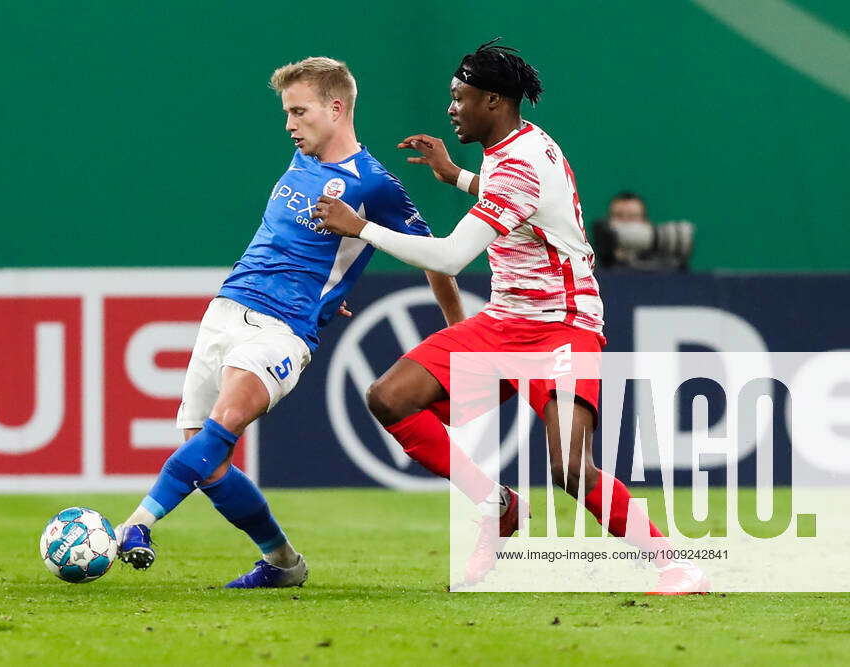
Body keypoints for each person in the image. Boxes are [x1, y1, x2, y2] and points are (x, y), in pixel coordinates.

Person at [312, 39, 709, 594]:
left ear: (493, 101)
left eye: (460, 97)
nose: (451, 107)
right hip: (505, 321)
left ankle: (676, 565)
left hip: (562, 326)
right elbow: (518, 201)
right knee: (389, 397)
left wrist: (361, 228)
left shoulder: (520, 162)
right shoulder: (519, 145)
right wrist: (456, 176)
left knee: (570, 470)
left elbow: (451, 256)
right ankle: (497, 504)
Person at [116, 57, 465, 588]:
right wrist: (331, 291)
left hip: (280, 331)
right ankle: (282, 562)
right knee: (205, 458)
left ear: (336, 108)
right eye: (286, 113)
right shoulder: (302, 158)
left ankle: (137, 524)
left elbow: (435, 259)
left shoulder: (374, 184)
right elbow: (302, 242)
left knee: (224, 422)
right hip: (225, 310)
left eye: (299, 112)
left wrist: (457, 332)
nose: (289, 124)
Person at [592, 191, 692, 270]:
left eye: (633, 217)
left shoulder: (666, 267)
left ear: (646, 223)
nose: (626, 222)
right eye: (619, 216)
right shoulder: (591, 265)